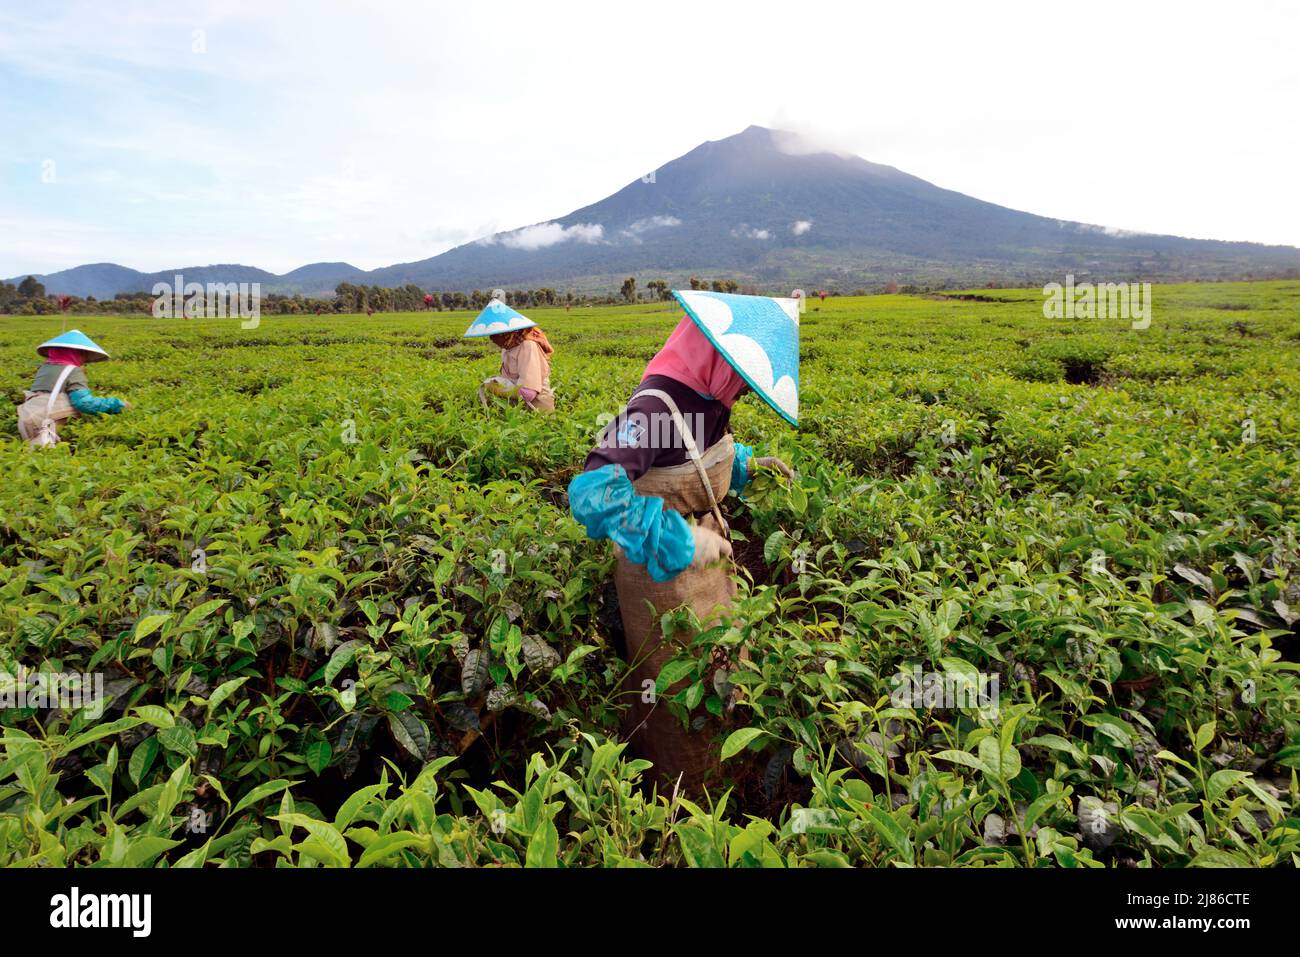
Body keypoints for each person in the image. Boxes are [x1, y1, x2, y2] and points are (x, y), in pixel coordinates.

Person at [567, 290, 798, 791]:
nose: (743, 390)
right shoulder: (653, 410)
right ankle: (679, 795)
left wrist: (748, 466)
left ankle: (728, 774)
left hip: (710, 570)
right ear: (715, 354)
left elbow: (695, 457)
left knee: (722, 671)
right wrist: (677, 539)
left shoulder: (710, 396)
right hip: (659, 579)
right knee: (672, 689)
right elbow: (590, 492)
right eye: (742, 376)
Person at [16, 330, 127, 447]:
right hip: (48, 423)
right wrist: (118, 404)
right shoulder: (74, 371)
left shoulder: (44, 368)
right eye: (83, 353)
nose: (84, 358)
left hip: (26, 419)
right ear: (77, 353)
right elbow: (84, 403)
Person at [462, 299, 556, 412]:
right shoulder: (507, 347)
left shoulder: (527, 346)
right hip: (515, 407)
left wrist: (498, 390)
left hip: (537, 408)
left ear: (506, 333)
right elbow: (510, 378)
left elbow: (528, 393)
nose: (492, 340)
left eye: (495, 335)